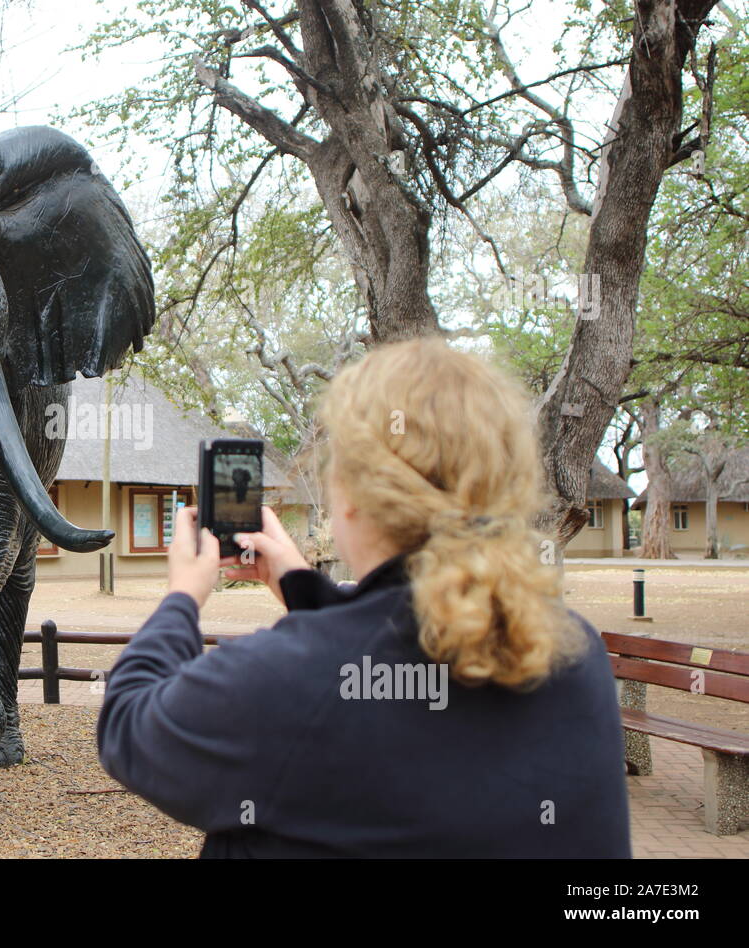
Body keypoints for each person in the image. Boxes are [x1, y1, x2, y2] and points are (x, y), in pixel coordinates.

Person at [96, 338, 631, 858]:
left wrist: (183, 598)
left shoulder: (287, 677)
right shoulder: (573, 653)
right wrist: (300, 584)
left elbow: (129, 724)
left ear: (352, 497)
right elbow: (382, 643)